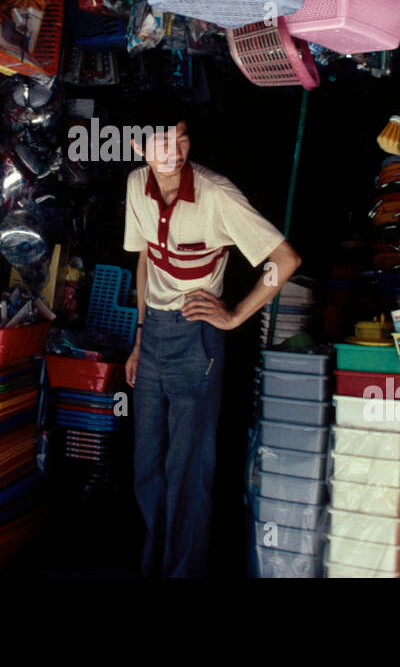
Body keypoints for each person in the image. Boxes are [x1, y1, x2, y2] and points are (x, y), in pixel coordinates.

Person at [123, 107, 301, 578]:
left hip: (196, 340)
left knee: (187, 471)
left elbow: (283, 259)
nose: (175, 152)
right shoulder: (135, 186)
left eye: (181, 139)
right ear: (139, 147)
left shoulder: (216, 194)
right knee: (146, 465)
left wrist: (235, 315)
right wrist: (139, 337)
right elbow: (145, 260)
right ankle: (154, 565)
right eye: (161, 142)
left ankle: (183, 571)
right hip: (154, 338)